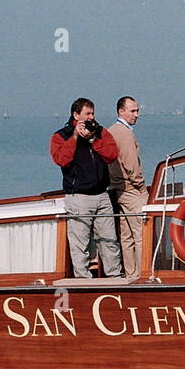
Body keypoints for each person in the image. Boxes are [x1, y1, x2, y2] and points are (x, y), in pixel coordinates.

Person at [49, 98, 124, 279]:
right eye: (87, 114)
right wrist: (75, 137)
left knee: (109, 240)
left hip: (102, 194)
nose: (91, 117)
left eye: (93, 113)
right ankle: (83, 279)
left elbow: (112, 154)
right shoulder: (61, 136)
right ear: (76, 115)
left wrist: (92, 140)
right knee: (79, 242)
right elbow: (61, 159)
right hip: (78, 197)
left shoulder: (100, 131)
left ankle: (115, 276)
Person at [106, 96, 148, 280]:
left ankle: (131, 273)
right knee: (140, 233)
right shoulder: (124, 133)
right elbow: (131, 164)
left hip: (117, 188)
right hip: (131, 189)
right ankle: (141, 273)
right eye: (132, 111)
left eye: (137, 110)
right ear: (121, 111)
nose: (136, 115)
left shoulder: (112, 131)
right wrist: (141, 186)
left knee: (126, 234)